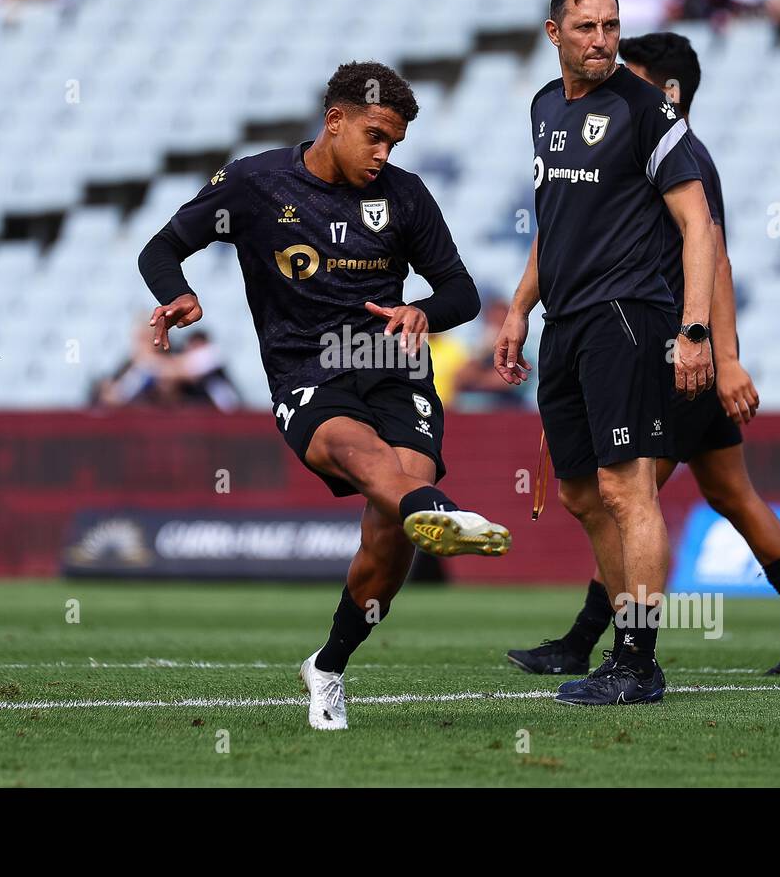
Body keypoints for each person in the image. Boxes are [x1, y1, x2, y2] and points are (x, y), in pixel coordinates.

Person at [138, 62, 511, 731]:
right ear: (334, 120)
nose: (383, 154)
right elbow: (162, 247)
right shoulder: (256, 182)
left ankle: (330, 664)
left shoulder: (406, 195)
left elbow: (462, 291)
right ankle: (447, 516)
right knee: (364, 457)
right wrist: (178, 294)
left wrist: (423, 310)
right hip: (307, 368)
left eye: (393, 143)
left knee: (394, 522)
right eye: (374, 136)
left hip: (394, 367)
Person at [506, 32, 780, 682]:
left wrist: (725, 355)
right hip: (675, 347)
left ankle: (600, 648)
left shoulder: (680, 153)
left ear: (667, 90)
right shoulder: (631, 144)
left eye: (631, 71)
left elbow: (712, 251)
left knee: (626, 498)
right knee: (728, 492)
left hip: (661, 348)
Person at [494, 0, 716, 707]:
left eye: (612, 26)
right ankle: (622, 653)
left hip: (627, 317)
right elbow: (553, 222)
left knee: (628, 489)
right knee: (580, 493)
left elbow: (698, 226)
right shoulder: (543, 105)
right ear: (554, 32)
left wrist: (694, 330)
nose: (602, 40)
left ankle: (637, 662)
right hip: (564, 322)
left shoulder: (646, 109)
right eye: (587, 27)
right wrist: (521, 307)